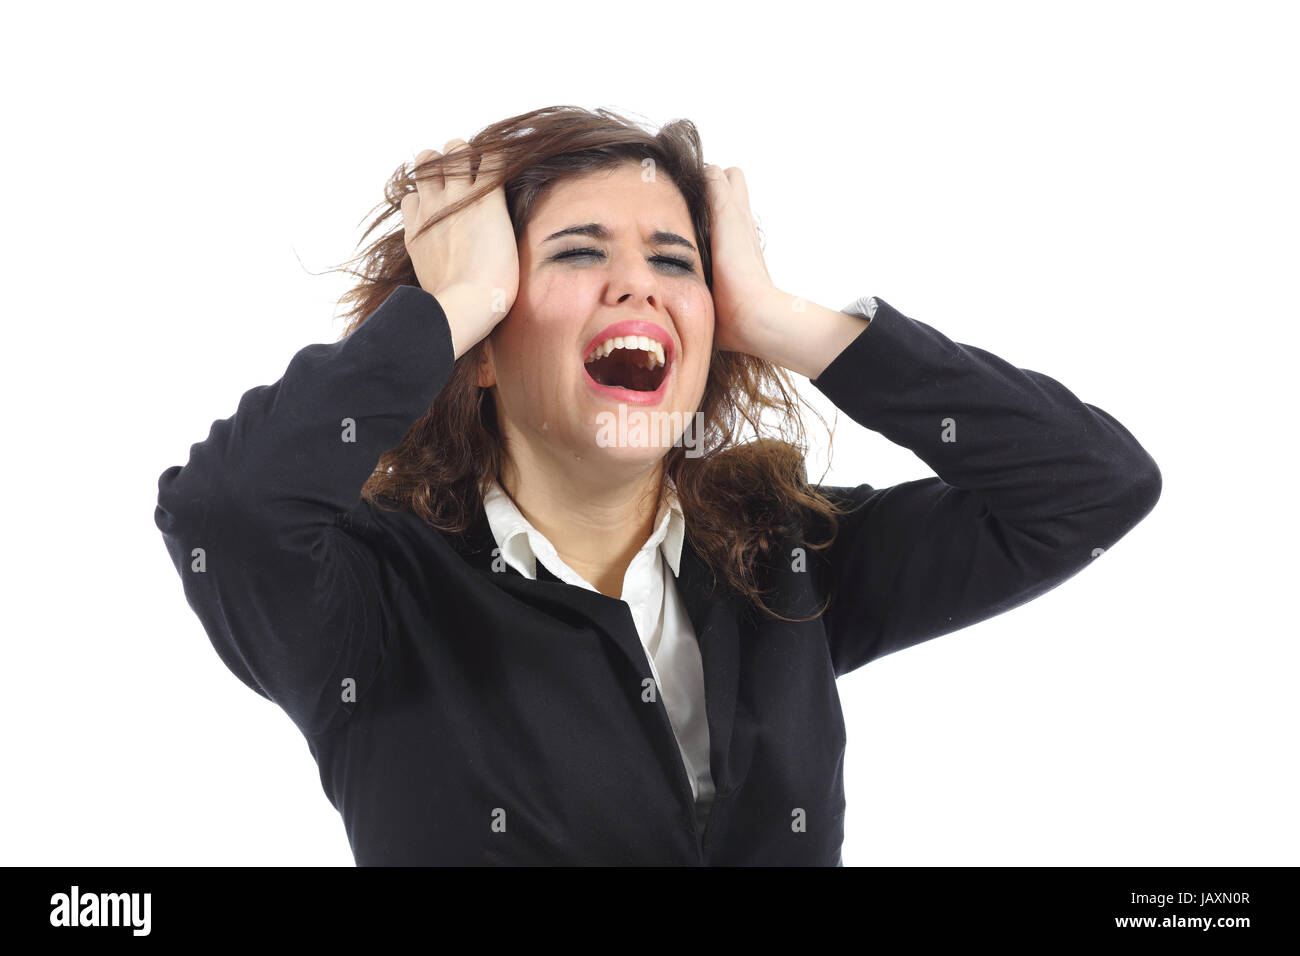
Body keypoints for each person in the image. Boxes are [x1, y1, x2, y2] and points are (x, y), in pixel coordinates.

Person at [154, 105, 1161, 865]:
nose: (636, 284)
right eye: (576, 254)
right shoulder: (370, 604)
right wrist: (455, 300)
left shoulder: (787, 561)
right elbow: (226, 511)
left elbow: (1090, 487)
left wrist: (777, 318)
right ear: (486, 349)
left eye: (674, 262)